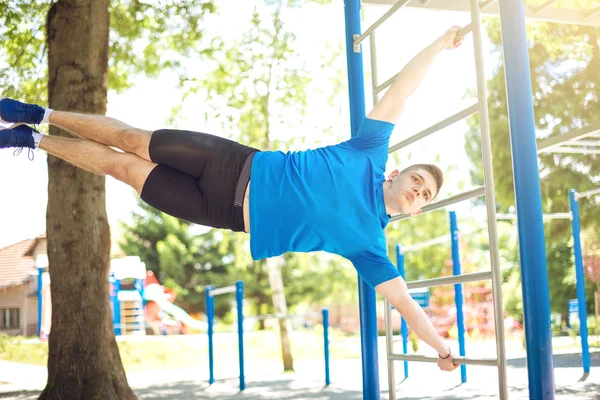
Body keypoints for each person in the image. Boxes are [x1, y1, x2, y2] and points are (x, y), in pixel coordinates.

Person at [0, 27, 463, 372]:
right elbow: (402, 90)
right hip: (230, 162)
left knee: (122, 169)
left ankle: (32, 141)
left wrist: (442, 351)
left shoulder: (370, 247)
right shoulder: (369, 152)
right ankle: (39, 114)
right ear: (401, 172)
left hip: (220, 212)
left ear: (418, 207)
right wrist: (441, 45)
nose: (417, 189)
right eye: (418, 178)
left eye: (424, 194)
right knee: (130, 138)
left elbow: (406, 305)